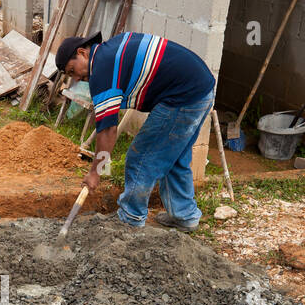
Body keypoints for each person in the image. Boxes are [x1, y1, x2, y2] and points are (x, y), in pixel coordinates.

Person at [57, 31, 216, 230]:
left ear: (82, 53)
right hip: (200, 88)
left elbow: (107, 131)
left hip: (183, 97)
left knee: (141, 157)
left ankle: (130, 219)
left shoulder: (101, 70)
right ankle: (184, 216)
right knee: (173, 156)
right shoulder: (108, 52)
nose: (77, 78)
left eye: (72, 70)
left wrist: (96, 172)